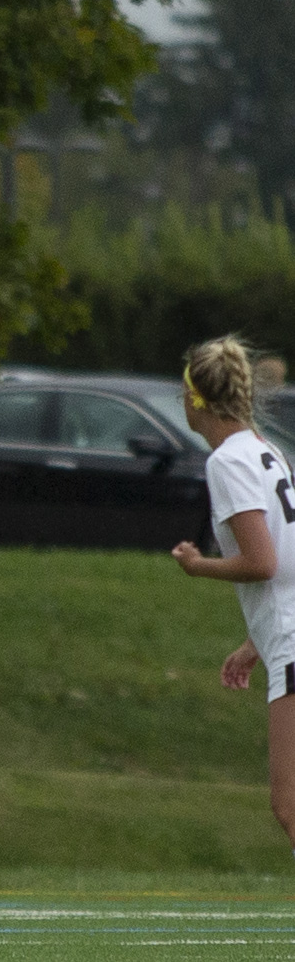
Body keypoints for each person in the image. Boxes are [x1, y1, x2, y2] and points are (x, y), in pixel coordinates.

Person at [170, 334, 295, 855]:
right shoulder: (266, 451)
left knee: (289, 804)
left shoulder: (226, 463)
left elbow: (262, 562)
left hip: (292, 640)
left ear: (196, 398)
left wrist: (199, 567)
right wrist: (252, 645)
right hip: (284, 633)